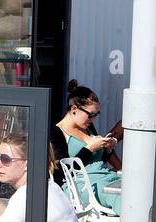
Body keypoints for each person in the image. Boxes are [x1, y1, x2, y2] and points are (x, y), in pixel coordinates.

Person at [50, 81, 121, 215]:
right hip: (81, 186)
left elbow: (97, 162)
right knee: (122, 197)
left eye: (96, 115)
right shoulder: (56, 132)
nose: (93, 119)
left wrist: (107, 149)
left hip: (104, 178)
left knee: (136, 188)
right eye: (91, 114)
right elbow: (62, 173)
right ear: (74, 109)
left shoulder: (86, 126)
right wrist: (89, 149)